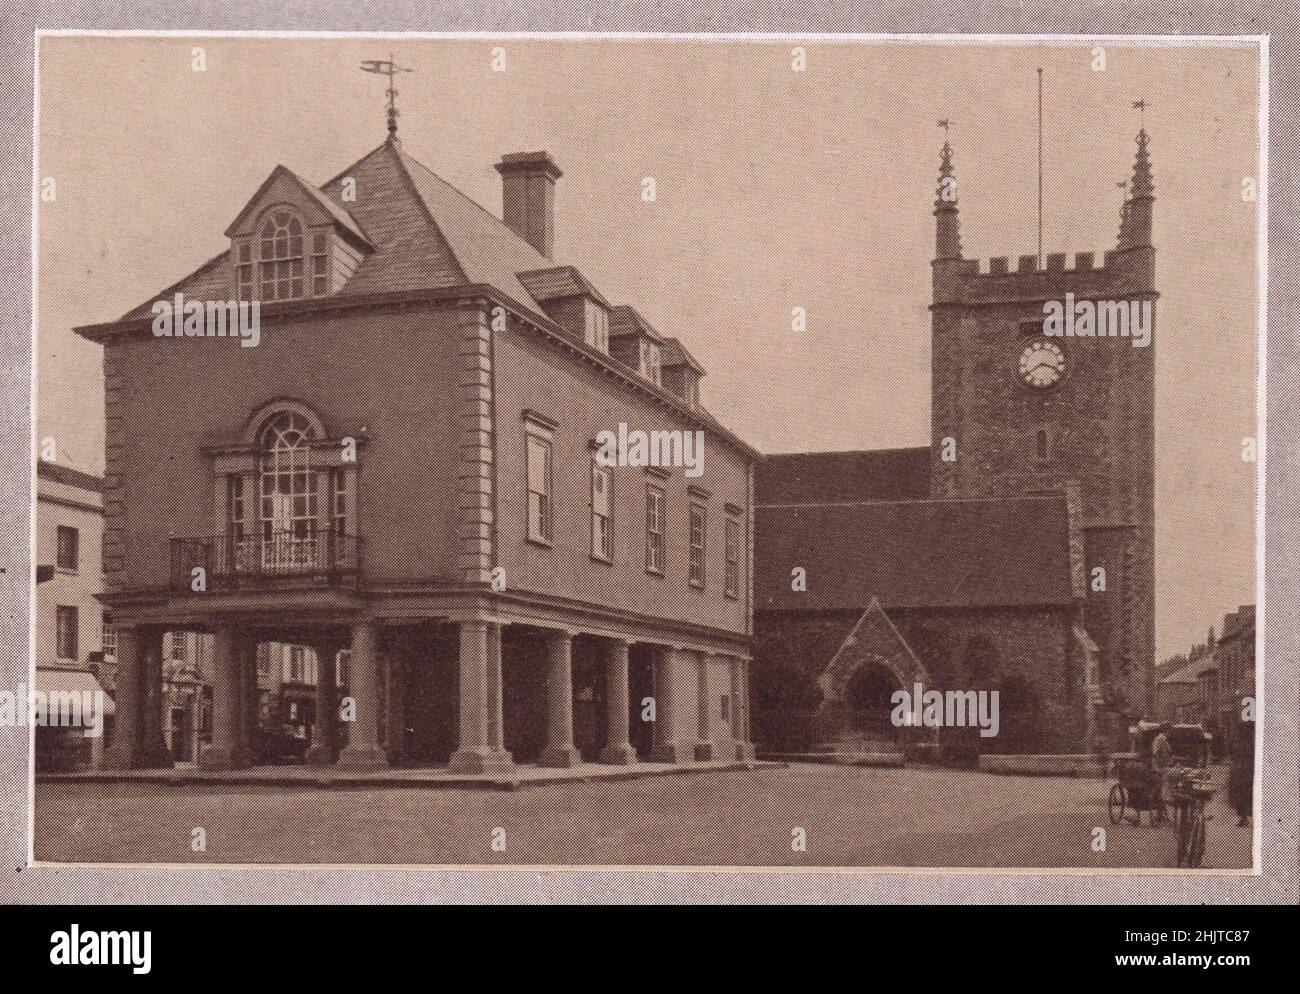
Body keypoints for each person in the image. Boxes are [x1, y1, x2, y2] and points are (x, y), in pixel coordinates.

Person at [1228, 717, 1254, 826]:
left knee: (1239, 792)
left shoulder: (1236, 739)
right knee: (1248, 792)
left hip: (1238, 768)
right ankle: (1246, 816)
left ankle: (1242, 817)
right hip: (1249, 767)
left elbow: (1230, 750)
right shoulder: (1253, 738)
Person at [1150, 723, 1173, 818]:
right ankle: (1154, 804)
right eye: (1169, 730)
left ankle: (1162, 814)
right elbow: (1155, 752)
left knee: (1163, 790)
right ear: (1166, 730)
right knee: (1161, 789)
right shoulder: (1160, 739)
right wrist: (1161, 762)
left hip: (1162, 767)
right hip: (1158, 768)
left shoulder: (1164, 739)